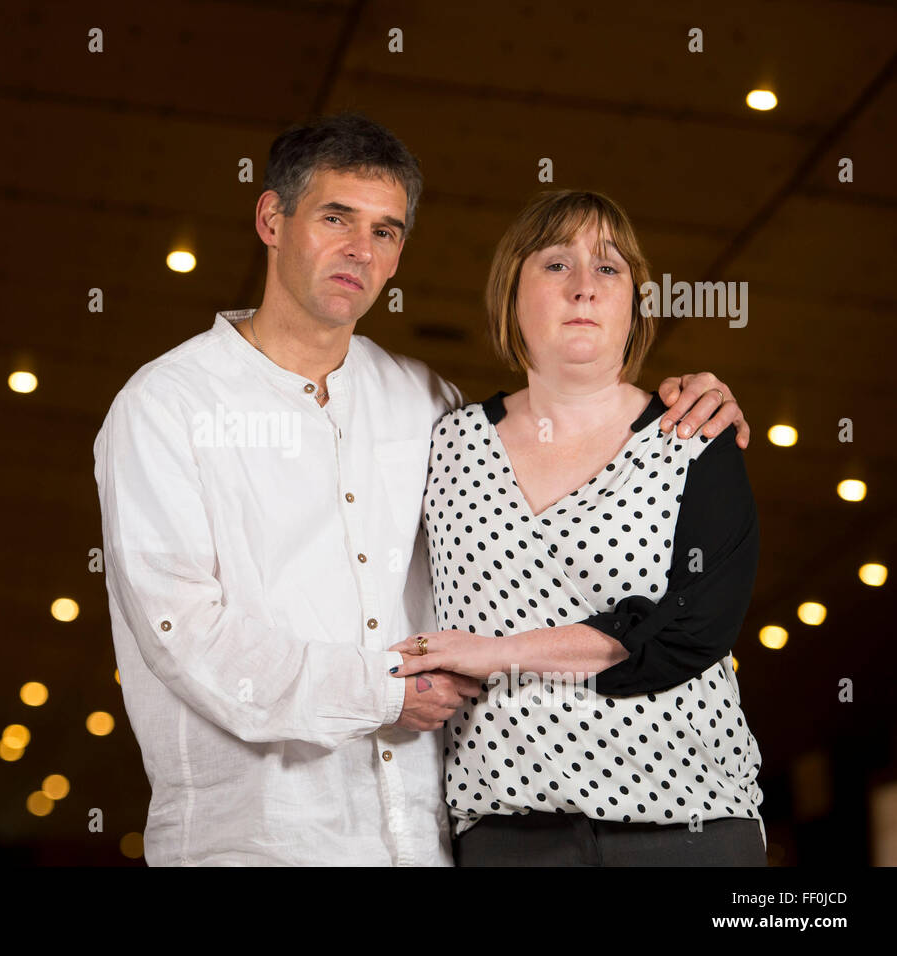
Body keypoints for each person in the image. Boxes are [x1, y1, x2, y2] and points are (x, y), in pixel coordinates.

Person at [93, 112, 750, 866]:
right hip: (258, 839)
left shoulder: (425, 403)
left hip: (425, 839)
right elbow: (184, 631)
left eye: (386, 231)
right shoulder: (168, 405)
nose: (359, 250)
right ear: (272, 218)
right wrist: (380, 691)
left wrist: (692, 399)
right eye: (335, 218)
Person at [388, 189, 765, 866]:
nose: (585, 287)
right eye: (556, 265)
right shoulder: (445, 443)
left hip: (688, 826)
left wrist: (496, 651)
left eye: (610, 268)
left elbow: (690, 631)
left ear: (633, 305)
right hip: (509, 835)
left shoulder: (695, 438)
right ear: (511, 295)